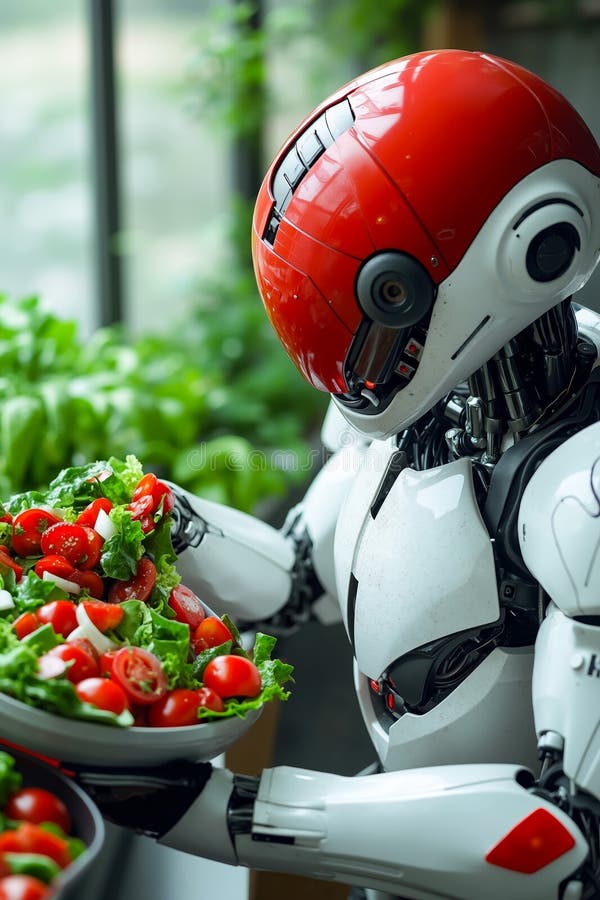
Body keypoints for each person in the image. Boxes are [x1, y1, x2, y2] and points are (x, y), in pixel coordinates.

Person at [78, 49, 600, 900]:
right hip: (415, 833)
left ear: (537, 242)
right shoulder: (407, 402)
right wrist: (166, 518)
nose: (353, 353)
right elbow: (295, 578)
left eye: (385, 302)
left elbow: (570, 839)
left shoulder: (582, 498)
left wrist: (244, 817)